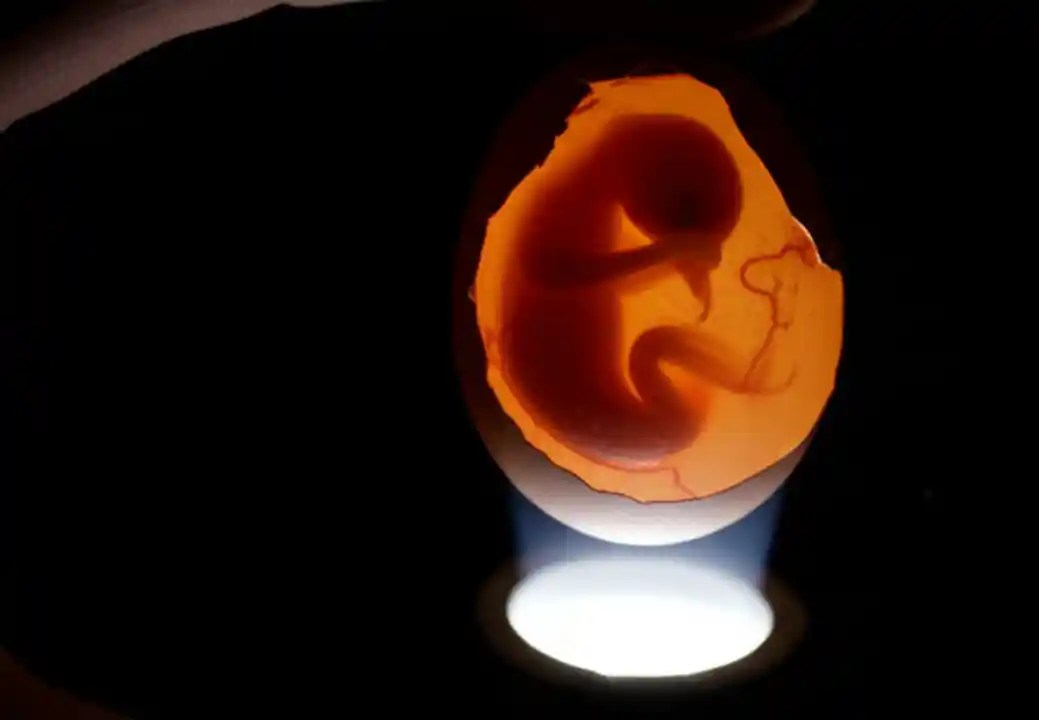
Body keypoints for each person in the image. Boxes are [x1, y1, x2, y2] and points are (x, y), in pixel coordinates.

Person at [0, 0, 814, 716]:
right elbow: (555, 273)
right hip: (589, 405)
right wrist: (658, 257)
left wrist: (669, 258)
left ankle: (745, 368)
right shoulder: (569, 191)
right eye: (679, 215)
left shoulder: (601, 181)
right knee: (660, 391)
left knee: (664, 385)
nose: (683, 246)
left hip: (621, 417)